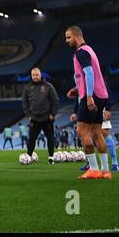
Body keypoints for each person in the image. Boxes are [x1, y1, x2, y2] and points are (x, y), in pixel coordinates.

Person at [64, 25, 112, 180]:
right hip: (101, 94)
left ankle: (93, 169)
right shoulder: (90, 50)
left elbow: (89, 73)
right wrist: (77, 89)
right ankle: (105, 171)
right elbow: (92, 77)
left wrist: (88, 96)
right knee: (97, 133)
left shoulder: (81, 53)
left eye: (69, 37)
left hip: (92, 96)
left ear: (77, 37)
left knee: (82, 131)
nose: (67, 41)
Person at [22, 66, 60, 163]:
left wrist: (53, 114)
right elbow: (24, 103)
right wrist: (28, 115)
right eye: (33, 75)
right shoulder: (27, 88)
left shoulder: (48, 86)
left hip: (47, 118)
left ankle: (51, 157)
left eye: (37, 75)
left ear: (40, 75)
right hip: (34, 118)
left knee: (50, 138)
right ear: (31, 76)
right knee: (31, 139)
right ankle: (29, 157)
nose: (35, 76)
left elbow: (55, 100)